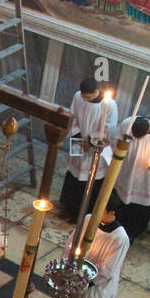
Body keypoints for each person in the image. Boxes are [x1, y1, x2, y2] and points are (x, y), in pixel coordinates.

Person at [57, 78, 117, 221]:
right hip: (78, 141)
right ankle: (68, 208)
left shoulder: (109, 105)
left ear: (96, 91)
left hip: (94, 147)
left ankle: (82, 214)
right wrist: (78, 137)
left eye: (88, 97)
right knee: (73, 176)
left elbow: (109, 128)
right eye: (84, 96)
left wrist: (90, 142)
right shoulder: (78, 96)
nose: (85, 99)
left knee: (88, 181)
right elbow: (73, 117)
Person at [111, 115, 150, 241]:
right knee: (121, 199)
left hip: (146, 175)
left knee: (139, 207)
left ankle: (134, 232)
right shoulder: (127, 123)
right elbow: (115, 140)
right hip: (126, 169)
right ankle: (116, 227)